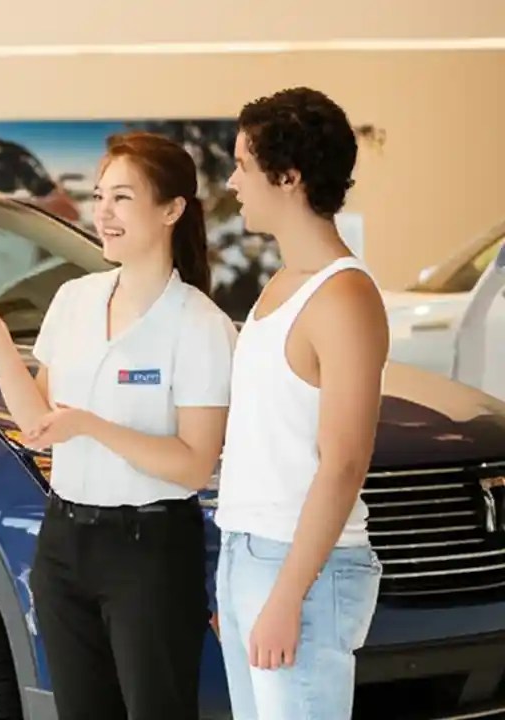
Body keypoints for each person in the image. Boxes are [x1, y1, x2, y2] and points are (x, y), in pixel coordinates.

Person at [0, 131, 238, 719]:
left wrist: (91, 426)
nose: (103, 213)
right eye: (99, 196)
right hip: (64, 543)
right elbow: (38, 422)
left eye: (122, 198)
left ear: (171, 210)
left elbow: (194, 463)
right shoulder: (74, 299)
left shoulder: (200, 325)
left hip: (151, 552)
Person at [213, 87, 389, 719]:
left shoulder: (345, 298)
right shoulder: (283, 284)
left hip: (301, 567)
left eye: (242, 165)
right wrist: (235, 576)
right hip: (248, 551)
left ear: (288, 177)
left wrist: (286, 595)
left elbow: (344, 462)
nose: (232, 182)